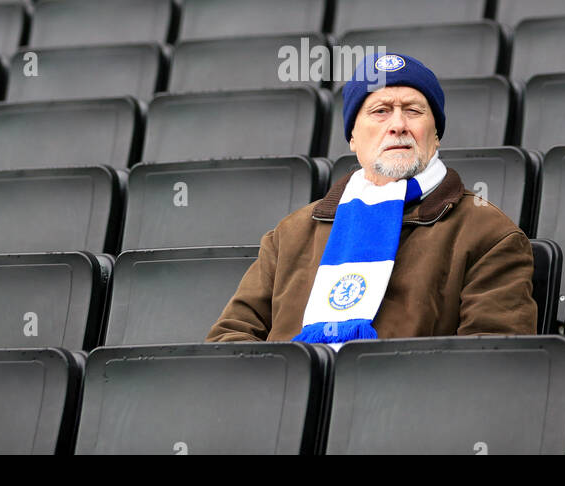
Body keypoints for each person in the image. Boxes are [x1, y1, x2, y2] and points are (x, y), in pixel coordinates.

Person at [206, 52, 537, 344]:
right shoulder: (289, 236)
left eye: (413, 111)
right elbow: (229, 341)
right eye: (380, 111)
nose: (397, 125)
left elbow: (490, 360)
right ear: (352, 137)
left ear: (435, 137)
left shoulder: (489, 234)